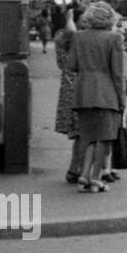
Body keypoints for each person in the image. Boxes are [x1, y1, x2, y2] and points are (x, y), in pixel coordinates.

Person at [67, 1, 126, 192]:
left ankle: (84, 176)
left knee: (88, 136)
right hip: (106, 92)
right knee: (105, 137)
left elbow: (72, 65)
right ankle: (95, 178)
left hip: (83, 91)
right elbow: (117, 73)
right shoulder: (114, 38)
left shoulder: (78, 37)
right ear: (111, 18)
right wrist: (122, 99)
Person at [53, 12, 88, 184]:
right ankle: (76, 170)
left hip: (68, 90)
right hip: (82, 89)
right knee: (85, 134)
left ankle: (77, 169)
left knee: (80, 134)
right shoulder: (79, 41)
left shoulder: (61, 40)